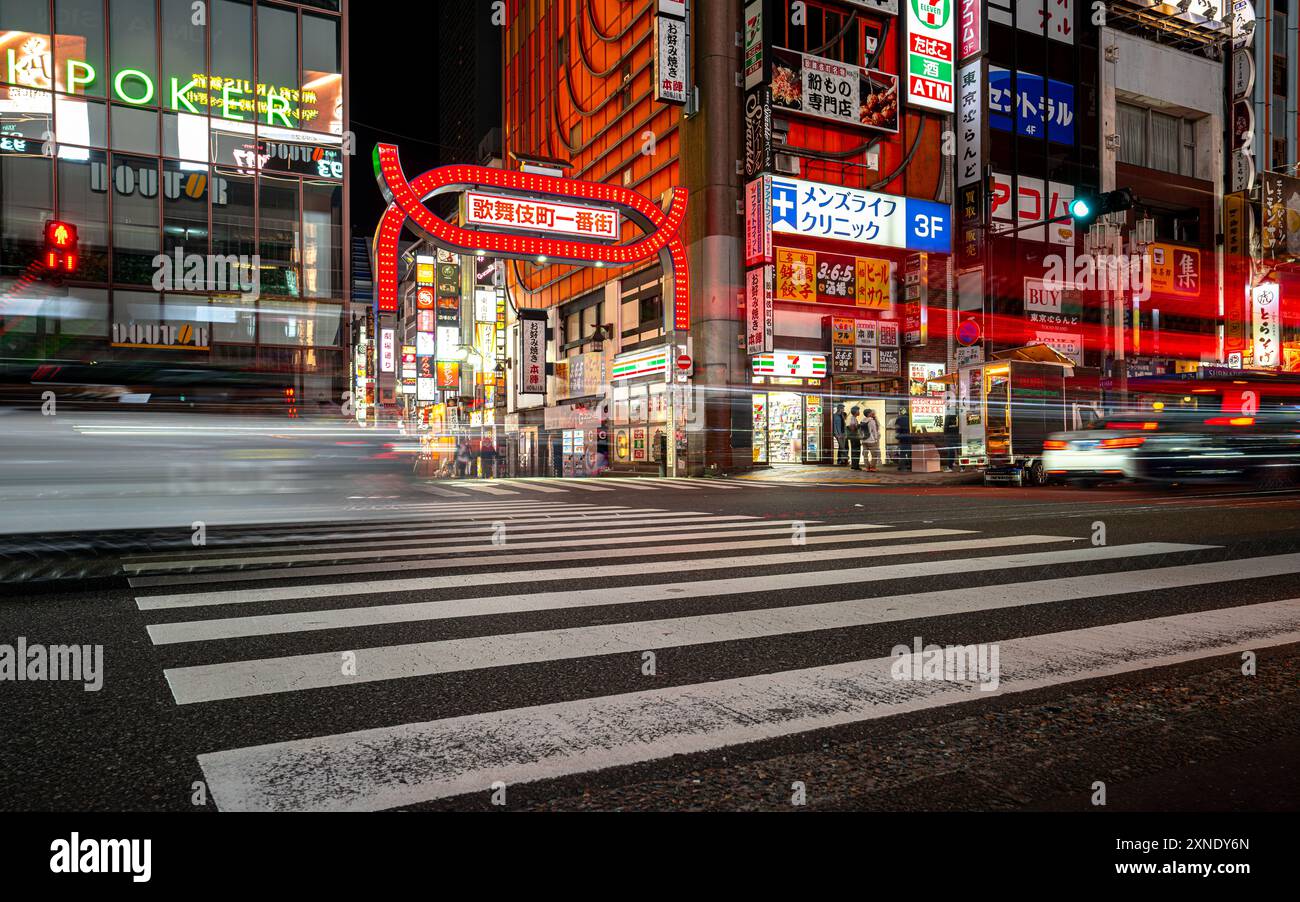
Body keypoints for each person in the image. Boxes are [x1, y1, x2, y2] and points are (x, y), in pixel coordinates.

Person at [845, 406, 863, 470]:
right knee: (856, 451)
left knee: (854, 451)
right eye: (858, 411)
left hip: (853, 437)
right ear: (855, 412)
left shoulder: (853, 418)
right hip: (855, 437)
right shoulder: (853, 419)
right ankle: (855, 466)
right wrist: (859, 425)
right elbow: (852, 427)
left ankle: (854, 465)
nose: (859, 412)